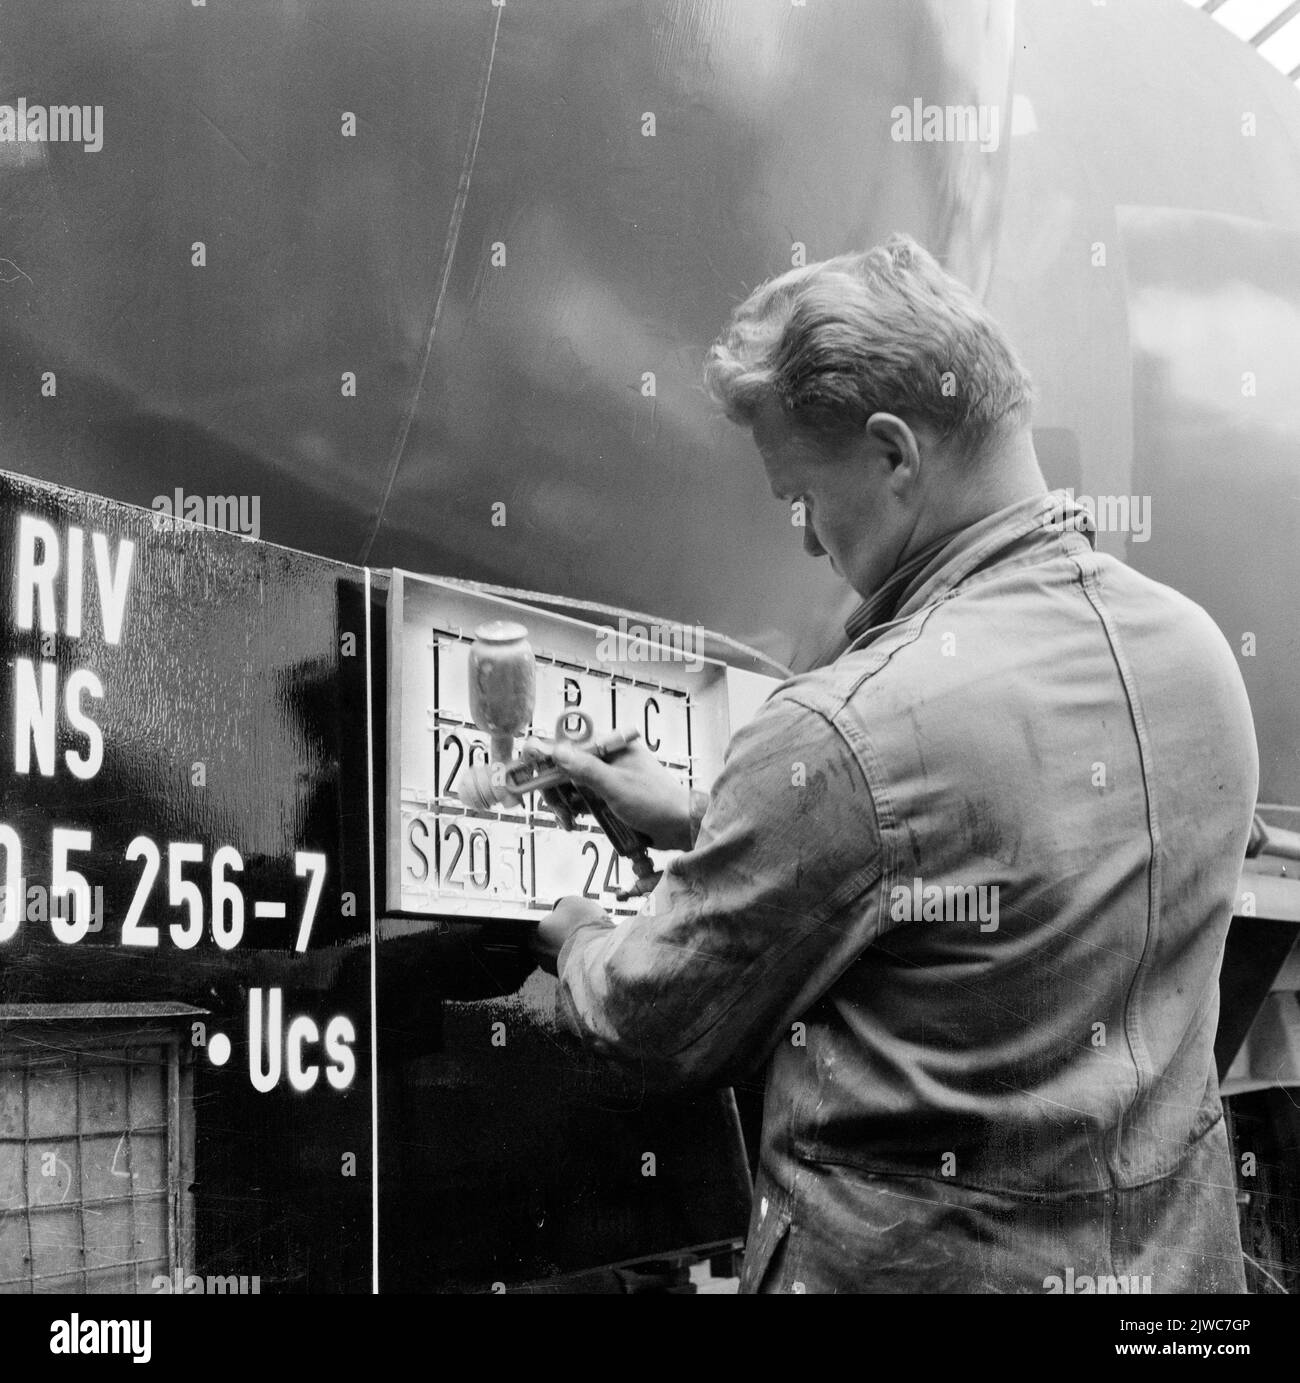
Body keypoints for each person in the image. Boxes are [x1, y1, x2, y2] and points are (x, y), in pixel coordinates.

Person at [531, 232, 1258, 1294]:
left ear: (892, 454)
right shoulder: (1195, 655)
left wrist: (580, 937)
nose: (807, 544)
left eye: (800, 497)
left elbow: (654, 1024)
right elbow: (1013, 855)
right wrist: (702, 819)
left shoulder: (844, 729)